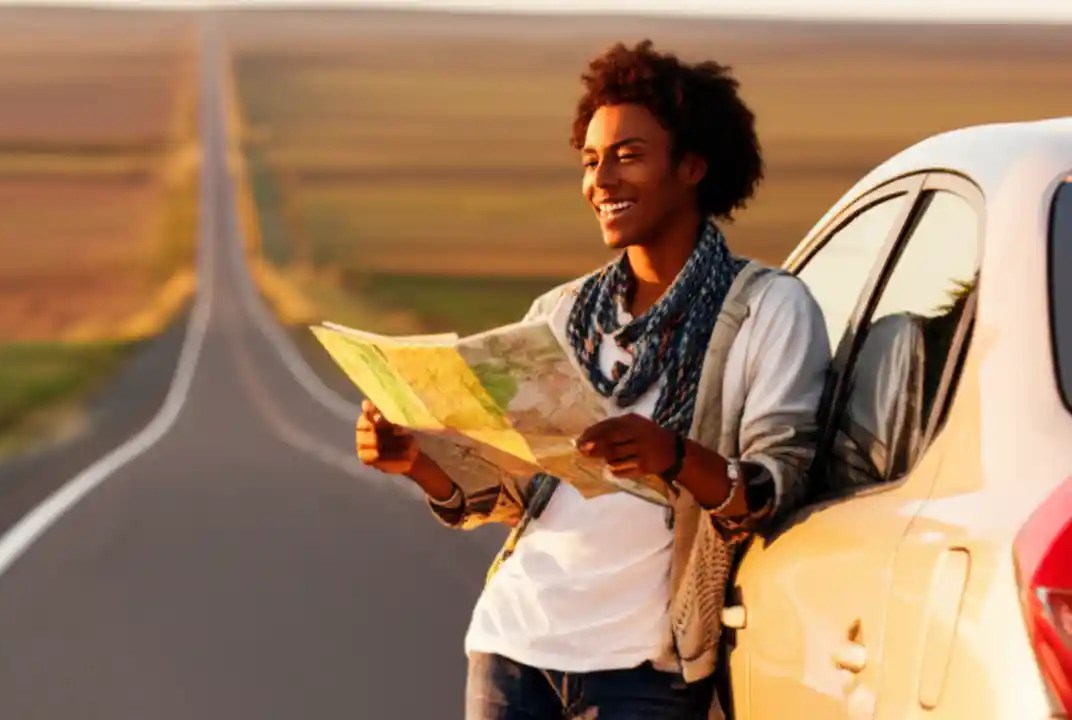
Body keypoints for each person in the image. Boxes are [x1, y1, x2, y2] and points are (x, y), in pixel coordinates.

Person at [355, 40, 830, 719]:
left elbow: (776, 489)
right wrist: (417, 464)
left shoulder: (768, 309)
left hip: (643, 671)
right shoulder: (561, 313)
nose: (600, 179)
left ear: (693, 166)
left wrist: (671, 456)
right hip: (511, 646)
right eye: (590, 160)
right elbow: (517, 487)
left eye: (628, 155)